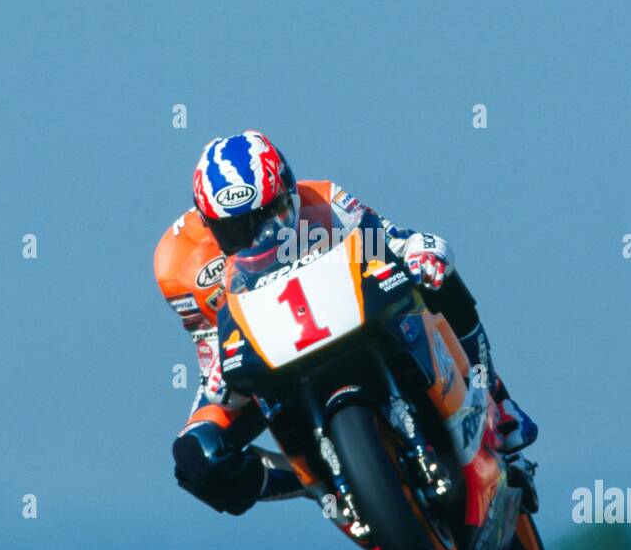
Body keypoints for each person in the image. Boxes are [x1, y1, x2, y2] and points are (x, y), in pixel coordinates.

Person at [153, 130, 537, 516]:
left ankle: (498, 400)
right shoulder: (177, 263)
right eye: (237, 229)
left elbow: (392, 240)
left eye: (271, 216)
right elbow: (207, 342)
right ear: (208, 222)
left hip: (343, 315)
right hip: (261, 349)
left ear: (289, 191)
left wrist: (423, 252)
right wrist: (217, 373)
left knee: (438, 272)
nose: (260, 235)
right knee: (194, 458)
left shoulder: (323, 198)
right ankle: (308, 481)